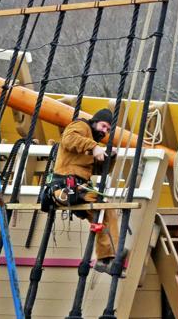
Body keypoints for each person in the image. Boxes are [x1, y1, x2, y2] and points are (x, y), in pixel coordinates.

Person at [50, 108, 125, 275]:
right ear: (95, 121)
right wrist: (94, 147)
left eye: (107, 129)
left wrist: (109, 158)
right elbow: (68, 140)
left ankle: (107, 257)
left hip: (80, 190)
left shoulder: (91, 140)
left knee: (106, 213)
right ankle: (112, 253)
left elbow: (97, 171)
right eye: (103, 126)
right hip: (64, 189)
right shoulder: (81, 126)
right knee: (103, 210)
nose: (104, 131)